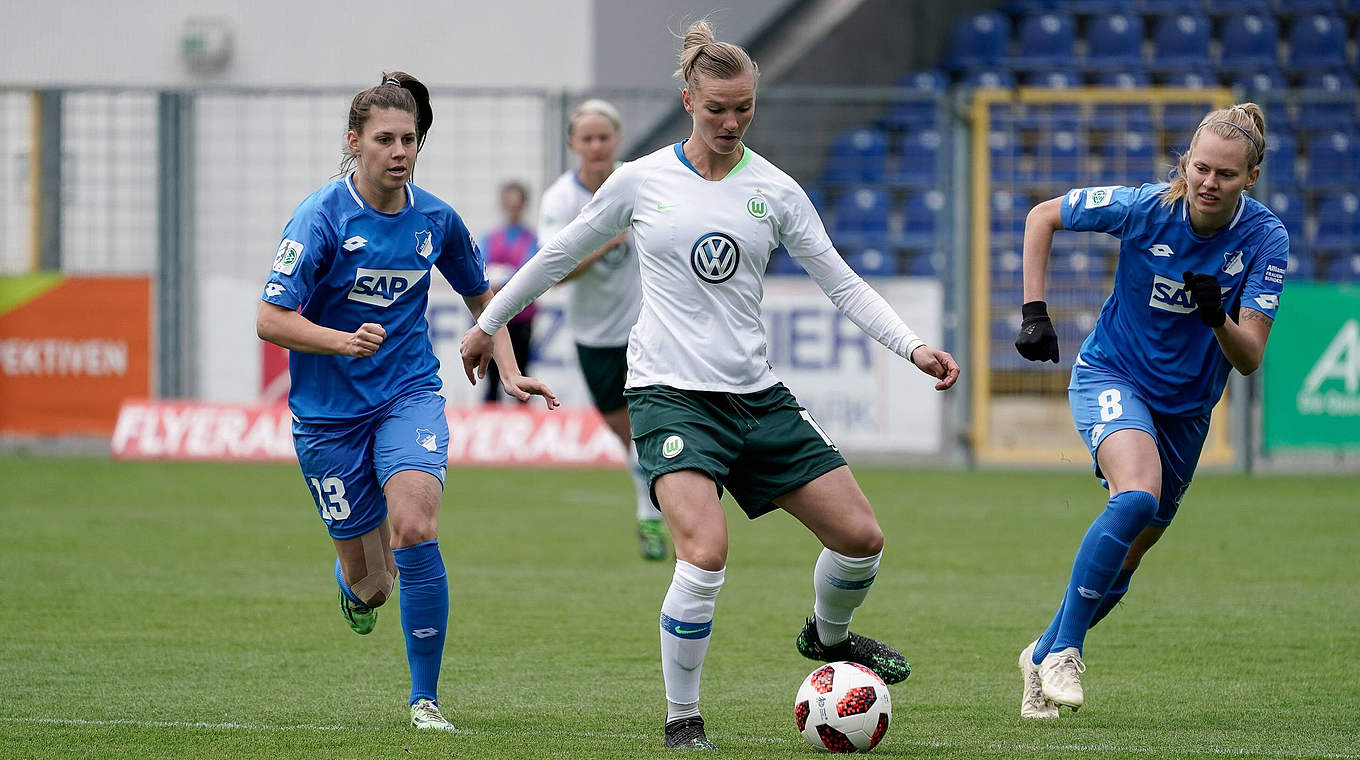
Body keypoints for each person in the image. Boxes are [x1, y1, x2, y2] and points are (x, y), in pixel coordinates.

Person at [460, 22, 960, 749]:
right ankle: (683, 715)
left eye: (744, 109)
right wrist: (491, 320)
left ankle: (828, 637)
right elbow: (559, 252)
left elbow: (842, 284)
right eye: (717, 108)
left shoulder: (776, 191)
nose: (731, 123)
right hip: (668, 395)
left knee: (861, 538)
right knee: (705, 549)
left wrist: (911, 346)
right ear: (688, 98)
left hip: (756, 397)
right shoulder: (639, 180)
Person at [255, 72, 557, 733]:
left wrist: (509, 368)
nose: (399, 151)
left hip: (408, 395)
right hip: (327, 417)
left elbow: (486, 298)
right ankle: (352, 588)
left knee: (416, 525)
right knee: (372, 585)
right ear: (354, 142)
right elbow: (271, 319)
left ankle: (425, 701)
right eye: (385, 139)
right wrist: (340, 340)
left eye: (410, 139)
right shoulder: (322, 218)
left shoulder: (436, 219)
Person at [1013, 103, 1287, 718]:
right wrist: (1034, 312)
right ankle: (1066, 653)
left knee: (1131, 555)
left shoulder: (1265, 239)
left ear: (1250, 179)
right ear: (1185, 164)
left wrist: (1216, 316)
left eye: (1226, 174)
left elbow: (1248, 360)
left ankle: (1043, 650)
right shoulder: (1144, 207)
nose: (1209, 183)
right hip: (1114, 374)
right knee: (1134, 497)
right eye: (1200, 168)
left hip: (1187, 410)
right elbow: (1042, 216)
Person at [538, 99, 669, 560]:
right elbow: (550, 272)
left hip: (647, 329)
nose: (596, 146)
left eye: (604, 137)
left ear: (616, 140)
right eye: (587, 138)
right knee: (628, 438)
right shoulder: (560, 201)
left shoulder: (641, 183)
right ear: (573, 143)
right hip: (594, 337)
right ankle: (652, 509)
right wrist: (597, 244)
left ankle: (653, 517)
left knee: (649, 432)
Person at [481, 181, 539, 403]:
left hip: (521, 317)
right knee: (491, 376)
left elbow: (529, 272)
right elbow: (482, 270)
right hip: (494, 317)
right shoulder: (491, 237)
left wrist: (504, 276)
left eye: (517, 204)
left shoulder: (531, 239)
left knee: (521, 372)